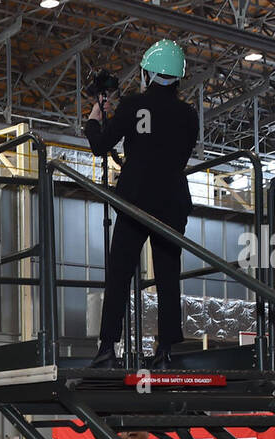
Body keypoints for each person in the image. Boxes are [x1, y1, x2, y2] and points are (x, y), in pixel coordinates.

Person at [84, 38, 200, 370]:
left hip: (135, 201)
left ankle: (108, 349)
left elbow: (101, 145)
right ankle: (167, 353)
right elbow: (171, 153)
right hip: (173, 202)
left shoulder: (133, 106)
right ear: (178, 77)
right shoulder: (188, 115)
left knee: (119, 274)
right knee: (168, 278)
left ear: (147, 75)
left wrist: (96, 116)